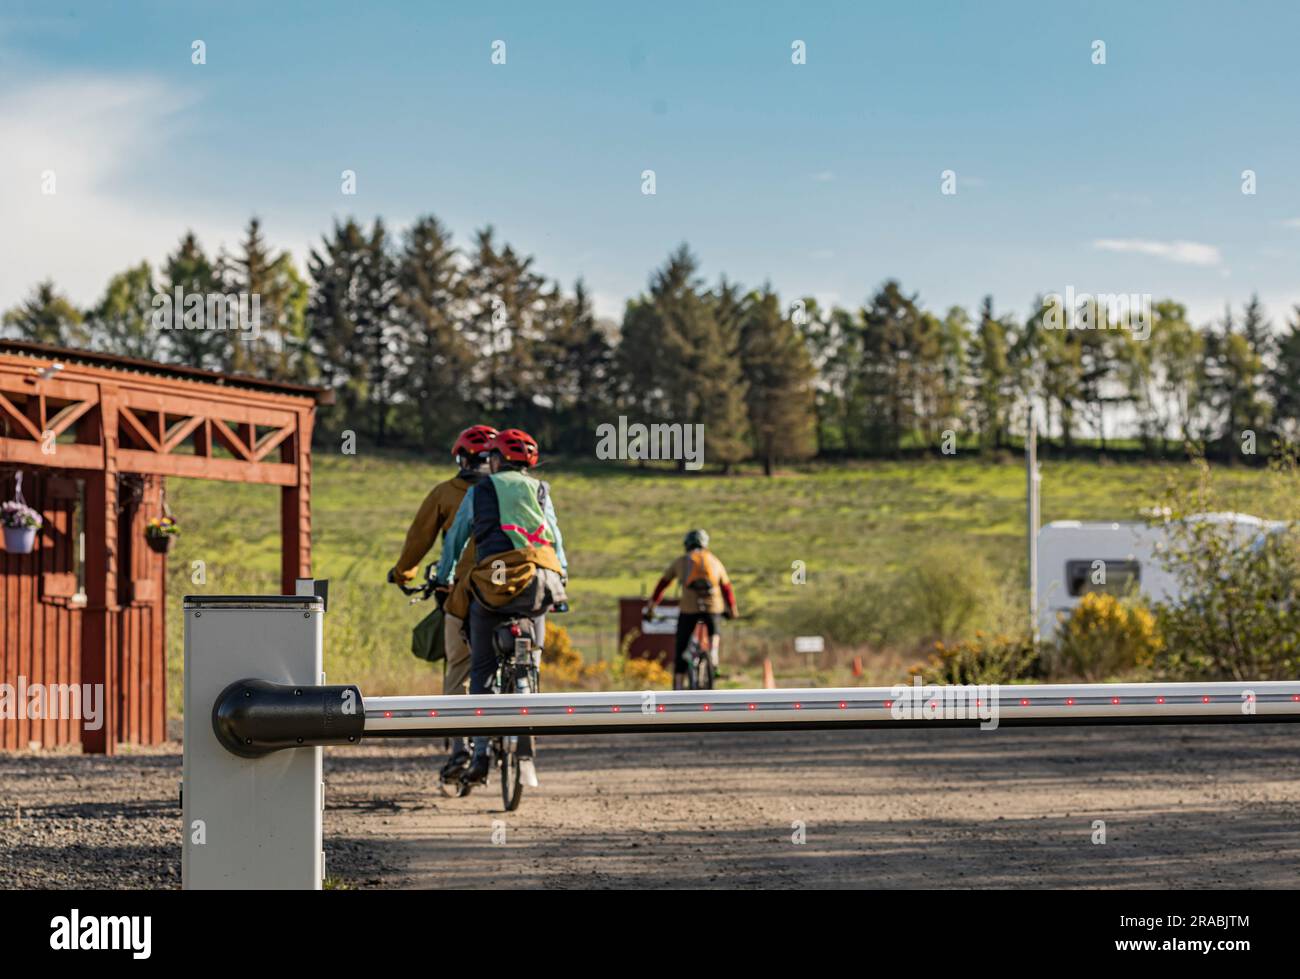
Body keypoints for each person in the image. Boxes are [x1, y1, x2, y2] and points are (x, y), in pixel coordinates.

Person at [435, 428, 567, 786]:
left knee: (481, 668)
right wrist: (562, 579)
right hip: (537, 580)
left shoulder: (480, 491)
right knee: (534, 653)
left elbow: (458, 537)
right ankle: (530, 699)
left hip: (493, 583)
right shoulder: (542, 490)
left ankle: (479, 751)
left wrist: (444, 576)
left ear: (495, 460)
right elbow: (553, 536)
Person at [387, 423, 497, 781]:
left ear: (461, 458)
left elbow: (419, 539)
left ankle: (460, 748)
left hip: (461, 590)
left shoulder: (446, 493)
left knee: (458, 665)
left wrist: (403, 573)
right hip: (515, 586)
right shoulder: (509, 491)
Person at [644, 529, 738, 682]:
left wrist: (651, 608)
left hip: (689, 607)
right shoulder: (715, 561)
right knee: (714, 631)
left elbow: (662, 584)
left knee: (681, 644)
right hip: (712, 606)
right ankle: (713, 655)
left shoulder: (681, 561)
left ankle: (679, 682)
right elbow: (727, 588)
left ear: (686, 545)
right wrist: (733, 610)